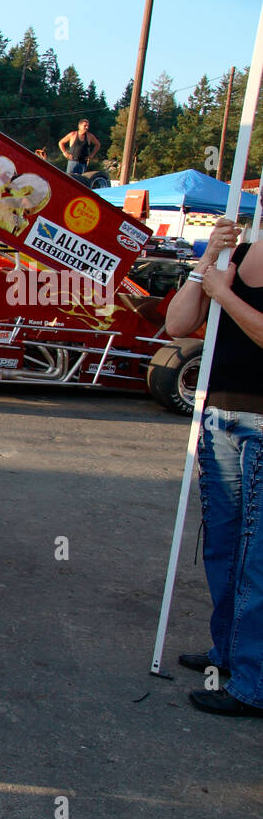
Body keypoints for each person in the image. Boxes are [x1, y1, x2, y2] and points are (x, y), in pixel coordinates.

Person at [166, 216, 263, 718]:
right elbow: (178, 325)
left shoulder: (235, 275)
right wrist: (205, 266)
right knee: (224, 546)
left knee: (257, 557)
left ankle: (254, 681)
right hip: (220, 417)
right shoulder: (236, 257)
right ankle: (230, 652)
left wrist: (224, 295)